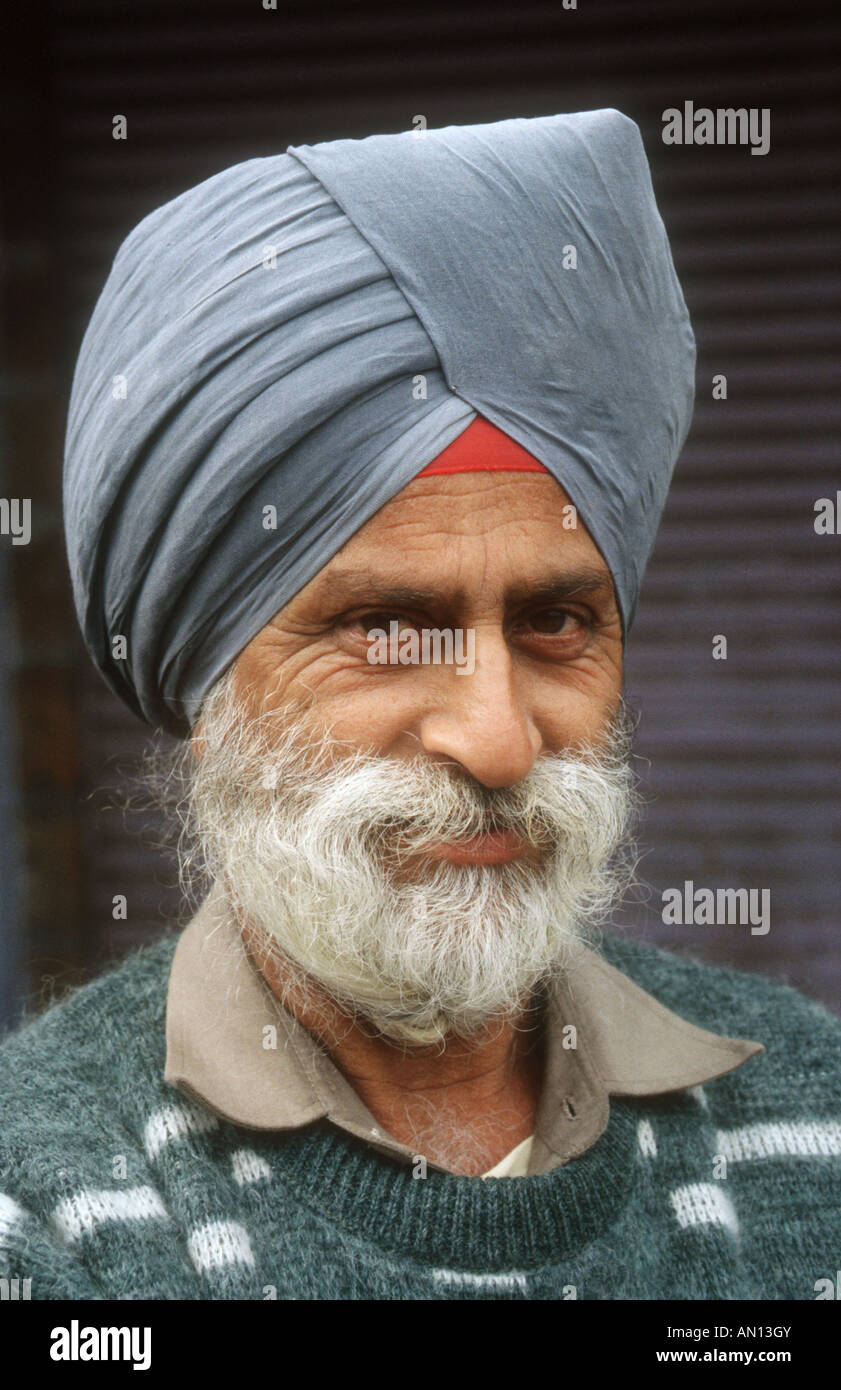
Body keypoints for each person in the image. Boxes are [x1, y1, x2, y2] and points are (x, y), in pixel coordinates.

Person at [1, 110, 838, 1301]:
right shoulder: (48, 1220)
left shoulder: (816, 1116)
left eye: (554, 623)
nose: (498, 738)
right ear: (208, 677)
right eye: (385, 631)